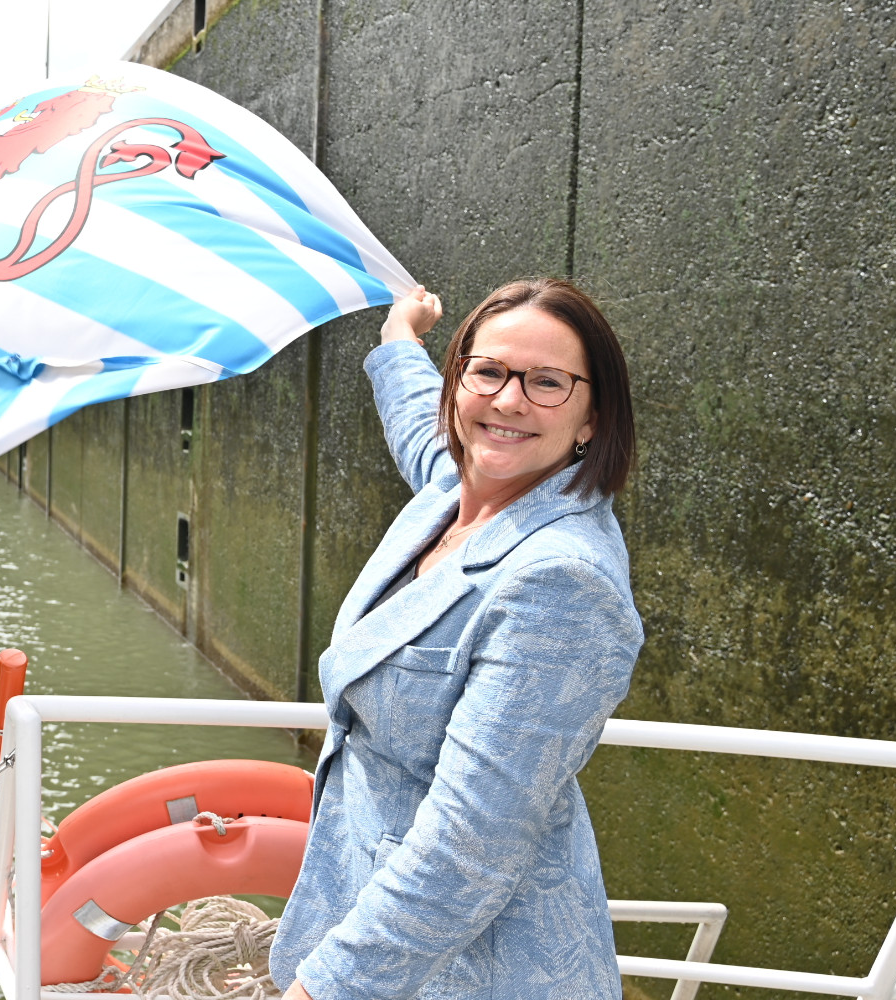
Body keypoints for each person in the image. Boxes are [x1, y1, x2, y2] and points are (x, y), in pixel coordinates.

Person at [271, 278, 643, 999]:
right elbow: (419, 424)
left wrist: (325, 988)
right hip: (370, 916)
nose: (508, 400)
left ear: (592, 416)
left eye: (547, 382)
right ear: (458, 384)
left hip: (473, 966)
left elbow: (471, 844)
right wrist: (400, 337)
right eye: (489, 371)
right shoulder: (454, 495)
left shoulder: (563, 581)